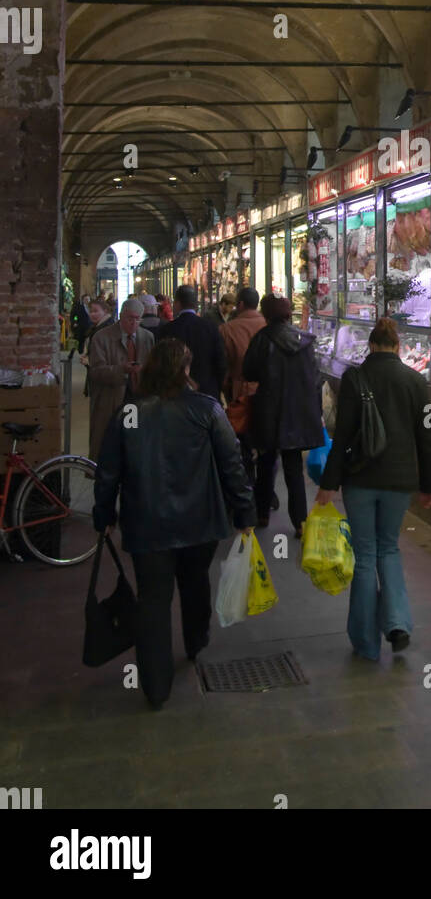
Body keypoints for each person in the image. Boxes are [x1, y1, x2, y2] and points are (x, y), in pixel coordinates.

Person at [93, 339, 256, 709]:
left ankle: (155, 686)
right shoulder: (206, 409)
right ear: (185, 371)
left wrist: (104, 515)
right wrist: (244, 511)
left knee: (153, 599)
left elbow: (108, 472)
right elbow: (232, 463)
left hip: (146, 523)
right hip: (199, 521)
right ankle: (196, 640)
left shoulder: (130, 413)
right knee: (195, 579)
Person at [316, 316, 431, 661]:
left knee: (365, 556)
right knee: (389, 549)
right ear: (398, 347)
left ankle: (366, 642)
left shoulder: (354, 379)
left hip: (360, 480)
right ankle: (398, 623)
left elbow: (340, 437)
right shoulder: (416, 381)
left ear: (370, 346)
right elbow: (428, 436)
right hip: (400, 481)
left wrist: (328, 484)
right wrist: (429, 483)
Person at [242, 294, 324, 535]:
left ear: (266, 315)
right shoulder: (305, 342)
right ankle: (300, 522)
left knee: (266, 464)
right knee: (293, 467)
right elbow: (315, 380)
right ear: (288, 314)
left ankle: (262, 513)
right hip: (297, 413)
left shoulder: (261, 339)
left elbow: (249, 372)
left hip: (269, 411)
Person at [87, 297, 155, 462]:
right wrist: (121, 369)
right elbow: (95, 372)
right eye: (129, 318)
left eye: (137, 319)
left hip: (135, 401)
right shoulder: (102, 338)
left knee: (131, 442)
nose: (133, 323)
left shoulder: (147, 337)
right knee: (108, 445)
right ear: (121, 316)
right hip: (111, 400)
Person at [221, 287, 266, 487]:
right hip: (267, 392)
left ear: (239, 305)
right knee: (265, 444)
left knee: (243, 443)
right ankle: (265, 491)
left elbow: (223, 365)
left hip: (240, 394)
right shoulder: (267, 325)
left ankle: (246, 483)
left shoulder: (227, 329)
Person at [157, 285, 226, 399]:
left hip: (175, 395)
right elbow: (221, 362)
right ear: (196, 305)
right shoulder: (211, 328)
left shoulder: (167, 329)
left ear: (178, 303)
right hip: (207, 393)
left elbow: (161, 364)